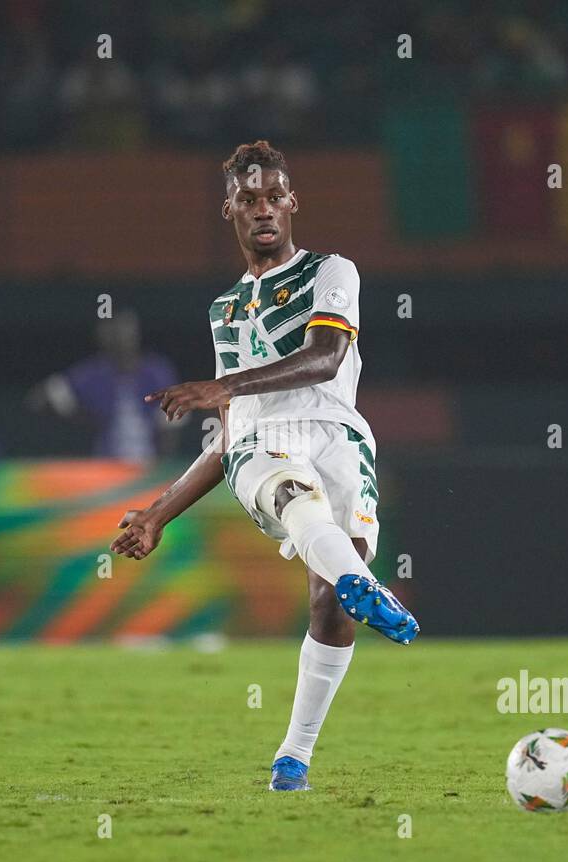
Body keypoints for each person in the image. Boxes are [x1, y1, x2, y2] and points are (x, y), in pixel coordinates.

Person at [110, 140, 419, 792]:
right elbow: (226, 436)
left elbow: (326, 357)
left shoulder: (332, 271)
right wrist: (158, 512)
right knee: (295, 499)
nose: (264, 208)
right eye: (249, 198)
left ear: (293, 202)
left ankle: (292, 760)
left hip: (337, 434)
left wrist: (226, 387)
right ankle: (363, 582)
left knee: (330, 600)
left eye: (275, 195)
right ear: (230, 209)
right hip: (261, 444)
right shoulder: (223, 310)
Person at [29, 309, 177, 461]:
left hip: (148, 463)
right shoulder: (91, 373)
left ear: (136, 332)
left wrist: (161, 467)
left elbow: (171, 426)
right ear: (102, 336)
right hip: (104, 466)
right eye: (113, 331)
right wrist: (82, 417)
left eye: (125, 330)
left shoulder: (156, 371)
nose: (120, 337)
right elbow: (40, 399)